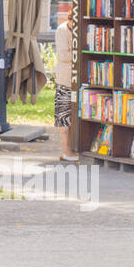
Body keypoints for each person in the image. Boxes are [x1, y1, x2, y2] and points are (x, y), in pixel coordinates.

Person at [54, 10, 79, 161]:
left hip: (77, 79)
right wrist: (78, 53)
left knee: (74, 116)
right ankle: (66, 151)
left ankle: (71, 150)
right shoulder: (62, 30)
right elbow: (63, 55)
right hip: (65, 79)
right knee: (64, 115)